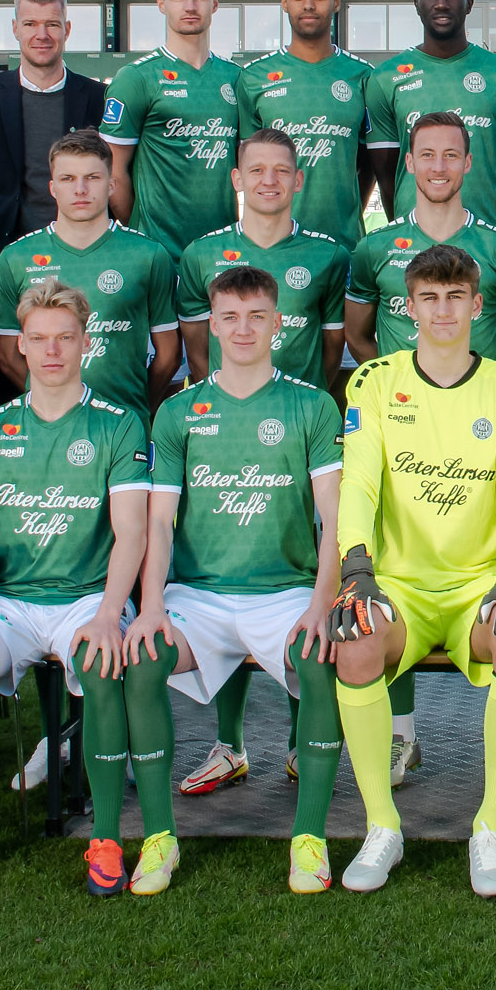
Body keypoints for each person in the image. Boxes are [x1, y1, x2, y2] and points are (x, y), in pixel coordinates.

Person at [0, 282, 151, 897]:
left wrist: (105, 616)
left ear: (85, 344)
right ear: (20, 346)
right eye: (39, 339)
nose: (51, 351)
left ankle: (103, 838)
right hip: (11, 603)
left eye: (64, 338)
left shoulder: (118, 424)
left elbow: (131, 535)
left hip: (87, 599)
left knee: (101, 666)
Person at [325, 245, 496, 895]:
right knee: (357, 639)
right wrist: (356, 566)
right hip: (402, 585)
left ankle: (491, 827)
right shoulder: (372, 382)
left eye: (456, 298)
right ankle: (382, 826)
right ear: (409, 305)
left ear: (478, 306)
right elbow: (359, 483)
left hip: (479, 583)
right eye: (430, 298)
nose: (443, 310)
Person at [137, 266, 350, 891]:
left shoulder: (310, 404)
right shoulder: (179, 411)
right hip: (196, 595)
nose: (243, 329)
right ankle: (158, 838)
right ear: (211, 324)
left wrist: (321, 602)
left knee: (318, 659)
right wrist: (150, 608)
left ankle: (308, 839)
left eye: (257, 316)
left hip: (284, 592)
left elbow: (334, 517)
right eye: (229, 317)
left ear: (278, 324)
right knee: (143, 660)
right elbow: (157, 522)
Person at [0, 132, 178, 409]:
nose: (81, 189)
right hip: (49, 424)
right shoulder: (16, 257)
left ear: (111, 185)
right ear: (52, 187)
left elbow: (168, 354)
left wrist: (137, 408)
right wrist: (51, 402)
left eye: (93, 178)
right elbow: (6, 356)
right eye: (68, 178)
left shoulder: (148, 255)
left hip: (126, 425)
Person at [345, 110, 496, 365]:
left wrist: (485, 382)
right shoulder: (373, 248)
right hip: (402, 402)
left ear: (467, 162)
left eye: (451, 155)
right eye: (427, 155)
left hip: (477, 402)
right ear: (410, 162)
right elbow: (356, 337)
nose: (439, 167)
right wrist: (393, 380)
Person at [175, 127, 352, 391]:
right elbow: (198, 353)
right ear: (237, 179)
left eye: (281, 170)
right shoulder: (201, 254)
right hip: (229, 415)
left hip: (300, 415)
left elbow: (332, 348)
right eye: (256, 170)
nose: (269, 180)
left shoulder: (330, 256)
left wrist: (305, 399)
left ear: (298, 180)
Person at [365, 0, 496, 228]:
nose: (441, 3)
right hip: (412, 236)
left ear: (469, 4)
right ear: (417, 5)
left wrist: (483, 227)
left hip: (482, 237)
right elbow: (386, 177)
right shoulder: (385, 77)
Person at [101, 0, 246, 252]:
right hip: (158, 254)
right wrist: (142, 234)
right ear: (161, 4)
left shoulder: (236, 78)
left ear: (215, 3)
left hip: (221, 253)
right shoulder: (136, 79)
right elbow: (113, 172)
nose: (189, 6)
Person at [0, 0, 107, 250]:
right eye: (30, 24)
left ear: (67, 29)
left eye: (52, 24)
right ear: (15, 28)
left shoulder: (99, 98)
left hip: (82, 247)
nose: (42, 34)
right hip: (0, 247)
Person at [239, 0, 378, 249]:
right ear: (284, 2)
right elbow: (248, 165)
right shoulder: (253, 78)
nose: (309, 5)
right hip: (271, 247)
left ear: (336, 1)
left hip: (343, 245)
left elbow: (368, 163)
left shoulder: (363, 76)